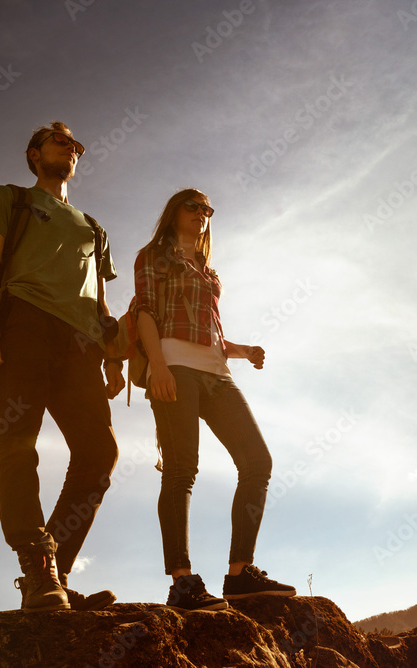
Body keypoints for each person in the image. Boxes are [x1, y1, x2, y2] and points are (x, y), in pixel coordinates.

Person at [0, 121, 123, 612]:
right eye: (59, 137)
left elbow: (100, 304)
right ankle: (37, 570)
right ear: (34, 154)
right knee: (18, 444)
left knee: (99, 453)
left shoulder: (93, 228)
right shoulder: (11, 198)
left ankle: (54, 568)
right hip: (24, 324)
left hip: (81, 343)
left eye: (75, 142)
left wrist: (113, 355)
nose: (70, 145)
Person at [133, 188, 296, 611]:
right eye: (194, 206)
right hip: (173, 367)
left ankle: (240, 574)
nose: (202, 214)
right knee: (182, 468)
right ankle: (182, 583)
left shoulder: (208, 271)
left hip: (216, 373)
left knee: (257, 462)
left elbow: (212, 333)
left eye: (208, 209)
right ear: (174, 212)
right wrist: (158, 365)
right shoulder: (154, 255)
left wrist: (242, 351)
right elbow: (146, 312)